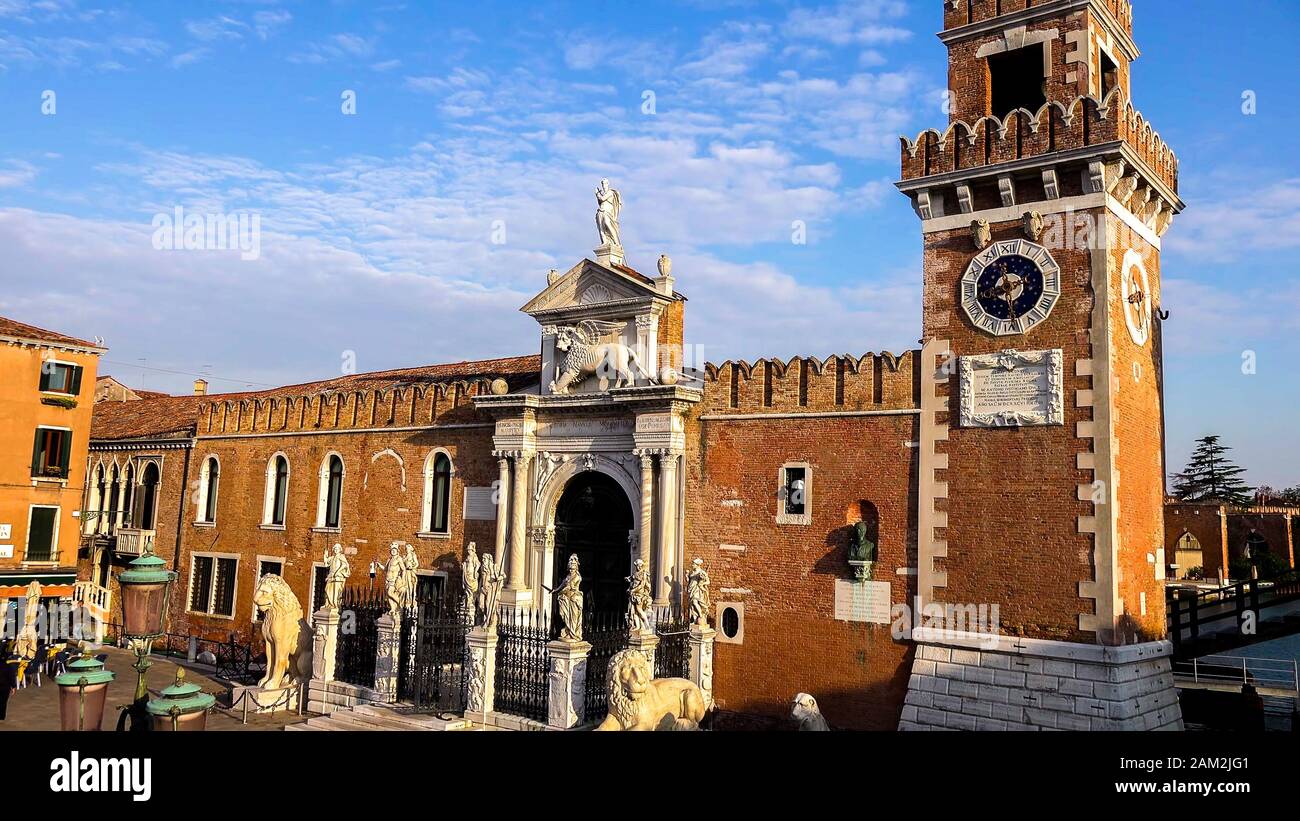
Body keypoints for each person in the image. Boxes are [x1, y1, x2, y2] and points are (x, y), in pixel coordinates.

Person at [0, 642, 17, 721]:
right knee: (3, 702)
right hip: (4, 686)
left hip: (4, 685)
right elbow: (11, 676)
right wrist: (13, 686)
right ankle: (1, 716)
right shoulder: (8, 666)